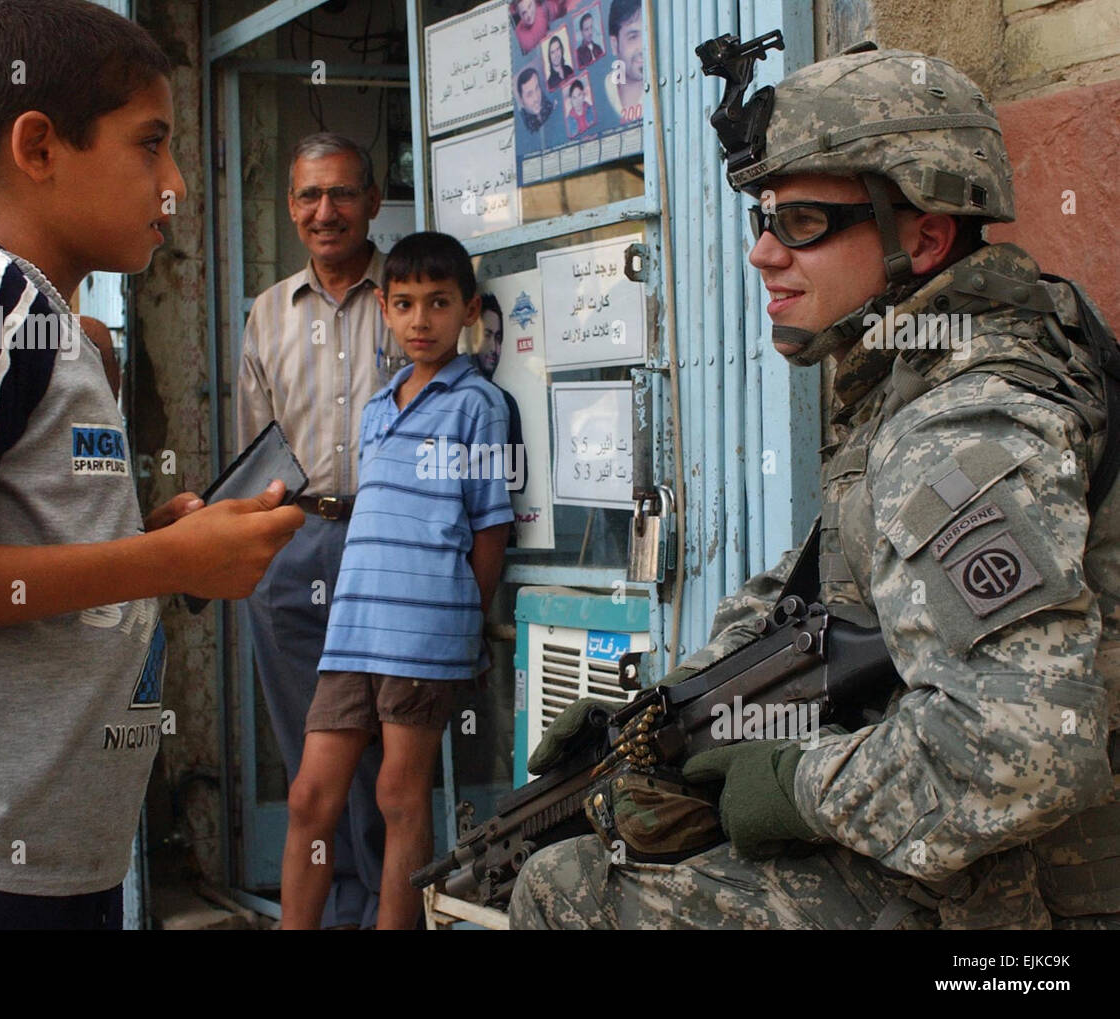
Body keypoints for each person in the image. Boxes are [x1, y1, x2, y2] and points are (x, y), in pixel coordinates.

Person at [511, 44, 1120, 930]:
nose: (762, 253)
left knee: (565, 888)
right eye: (762, 218)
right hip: (980, 871)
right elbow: (827, 601)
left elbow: (1024, 750)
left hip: (1024, 908)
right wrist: (663, 714)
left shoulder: (966, 425)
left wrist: (793, 783)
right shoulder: (923, 369)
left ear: (925, 233)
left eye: (800, 223)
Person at [0, 0, 303, 931]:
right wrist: (160, 564)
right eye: (150, 145)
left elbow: (27, 547)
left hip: (55, 859)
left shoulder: (62, 330)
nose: (175, 182)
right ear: (40, 147)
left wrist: (153, 545)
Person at [281, 232, 513, 929]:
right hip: (353, 628)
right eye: (406, 303)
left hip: (424, 631)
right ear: (384, 308)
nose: (421, 321)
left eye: (439, 303)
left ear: (468, 310)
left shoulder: (479, 405)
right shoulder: (379, 407)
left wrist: (459, 621)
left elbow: (490, 531)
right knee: (308, 796)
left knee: (398, 794)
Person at [238, 132, 405, 928]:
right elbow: (254, 451)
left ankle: (379, 907)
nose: (324, 211)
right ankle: (337, 903)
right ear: (291, 207)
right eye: (308, 195)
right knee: (311, 751)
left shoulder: (407, 298)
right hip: (292, 542)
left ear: (374, 202)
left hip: (386, 545)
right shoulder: (269, 313)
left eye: (342, 193)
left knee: (379, 751)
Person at [476, 293, 527, 493]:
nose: (494, 348)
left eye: (498, 338)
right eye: (487, 335)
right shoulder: (446, 399)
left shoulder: (506, 403)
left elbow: (518, 478)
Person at [607, 0, 645, 115]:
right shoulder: (605, 89)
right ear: (614, 45)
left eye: (647, 33)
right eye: (633, 37)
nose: (643, 47)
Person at [516, 67, 555, 134]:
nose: (536, 98)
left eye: (537, 88)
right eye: (529, 94)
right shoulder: (522, 125)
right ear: (521, 100)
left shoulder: (549, 104)